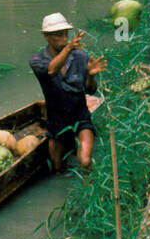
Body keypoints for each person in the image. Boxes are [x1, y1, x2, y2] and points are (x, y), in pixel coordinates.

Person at [29, 12, 107, 175]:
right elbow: (51, 70)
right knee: (58, 168)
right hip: (57, 120)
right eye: (59, 35)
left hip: (80, 117)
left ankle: (88, 191)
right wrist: (69, 48)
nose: (64, 39)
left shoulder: (80, 57)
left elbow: (90, 91)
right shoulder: (37, 60)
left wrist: (91, 76)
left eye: (66, 34)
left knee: (85, 162)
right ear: (47, 37)